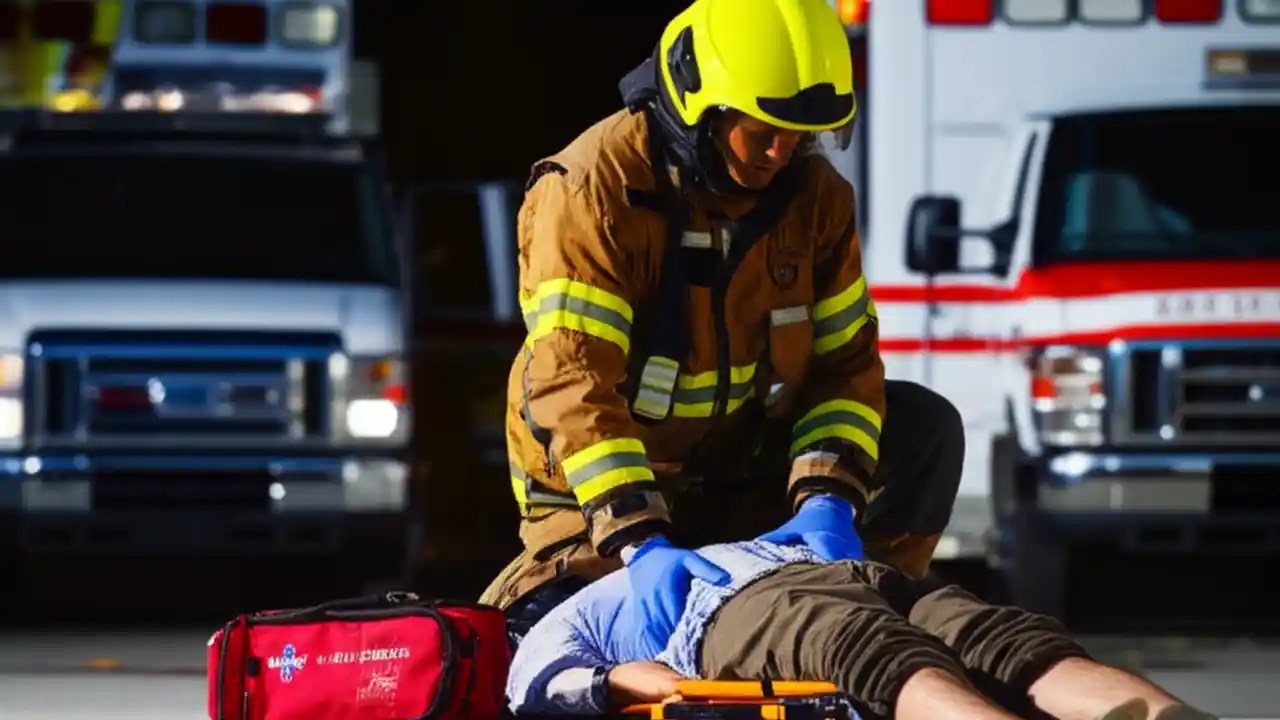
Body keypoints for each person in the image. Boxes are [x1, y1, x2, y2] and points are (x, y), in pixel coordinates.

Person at [480, 0, 965, 651]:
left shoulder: (816, 198)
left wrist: (825, 499)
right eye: (763, 129)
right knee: (561, 645)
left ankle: (860, 624)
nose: (781, 151)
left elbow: (844, 370)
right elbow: (574, 384)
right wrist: (640, 542)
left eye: (801, 134)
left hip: (739, 475)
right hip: (599, 506)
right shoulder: (591, 192)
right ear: (696, 106)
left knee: (923, 427)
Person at [504, 536, 1216, 720]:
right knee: (1018, 651)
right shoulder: (614, 580)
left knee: (890, 668)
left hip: (740, 611)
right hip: (839, 568)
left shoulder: (534, 651)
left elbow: (634, 683)